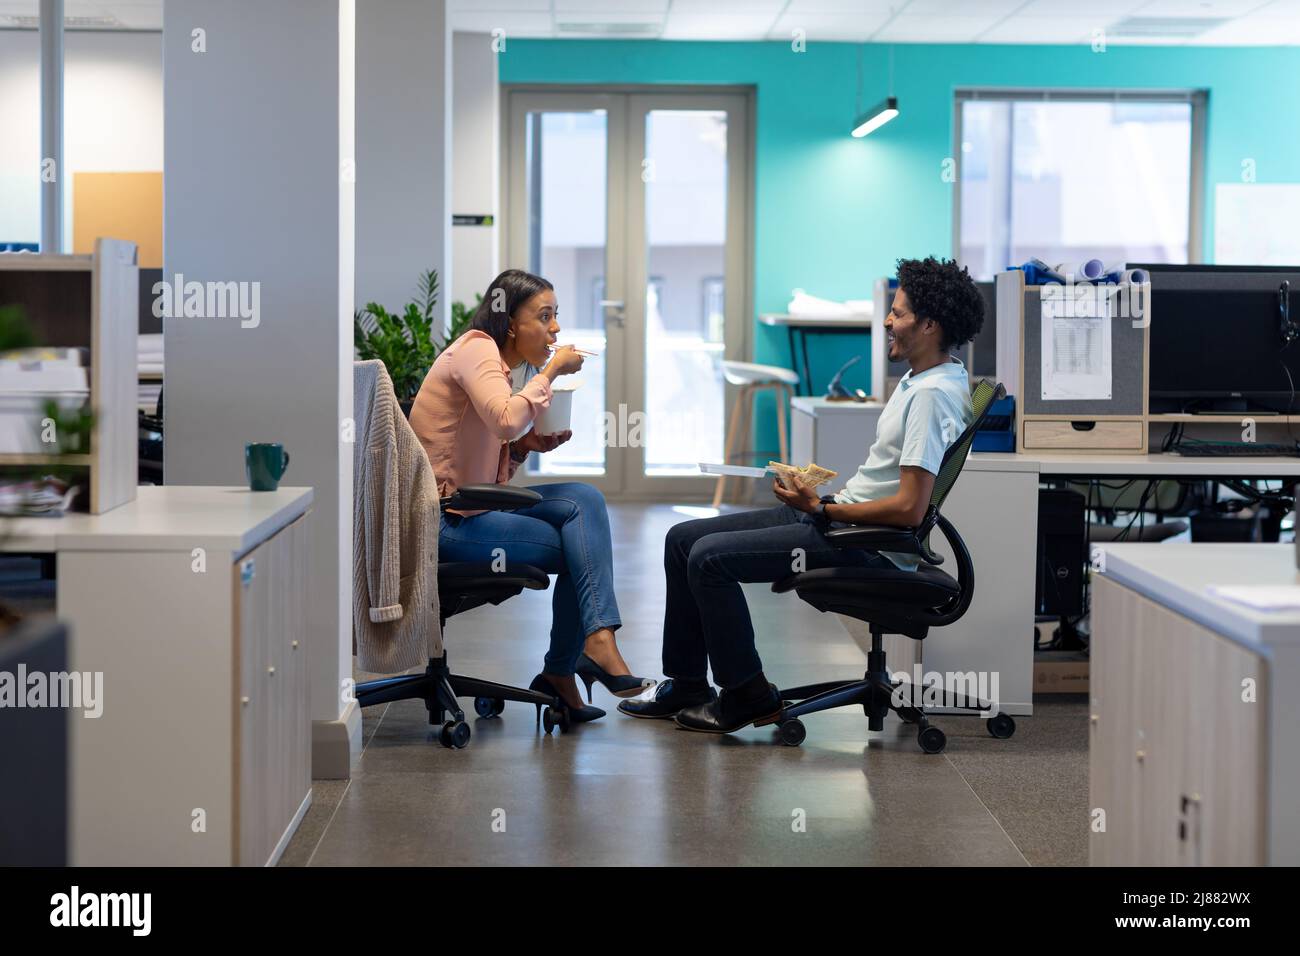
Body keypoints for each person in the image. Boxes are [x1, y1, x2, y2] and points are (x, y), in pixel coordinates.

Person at [621, 256, 985, 734]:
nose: (888, 321)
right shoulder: (927, 378)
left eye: (898, 313)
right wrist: (822, 503)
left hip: (868, 542)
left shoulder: (930, 396)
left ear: (930, 324)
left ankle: (747, 695)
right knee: (681, 539)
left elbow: (908, 508)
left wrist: (824, 507)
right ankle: (688, 684)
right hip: (843, 522)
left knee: (708, 560)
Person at [409, 268, 650, 724]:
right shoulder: (477, 348)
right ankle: (576, 659)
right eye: (544, 315)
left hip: (470, 506)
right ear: (510, 322)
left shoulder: (499, 365)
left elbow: (495, 453)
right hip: (443, 520)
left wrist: (522, 448)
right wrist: (552, 372)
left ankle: (590, 646)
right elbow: (504, 418)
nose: (555, 327)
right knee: (581, 548)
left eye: (556, 315)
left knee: (584, 498)